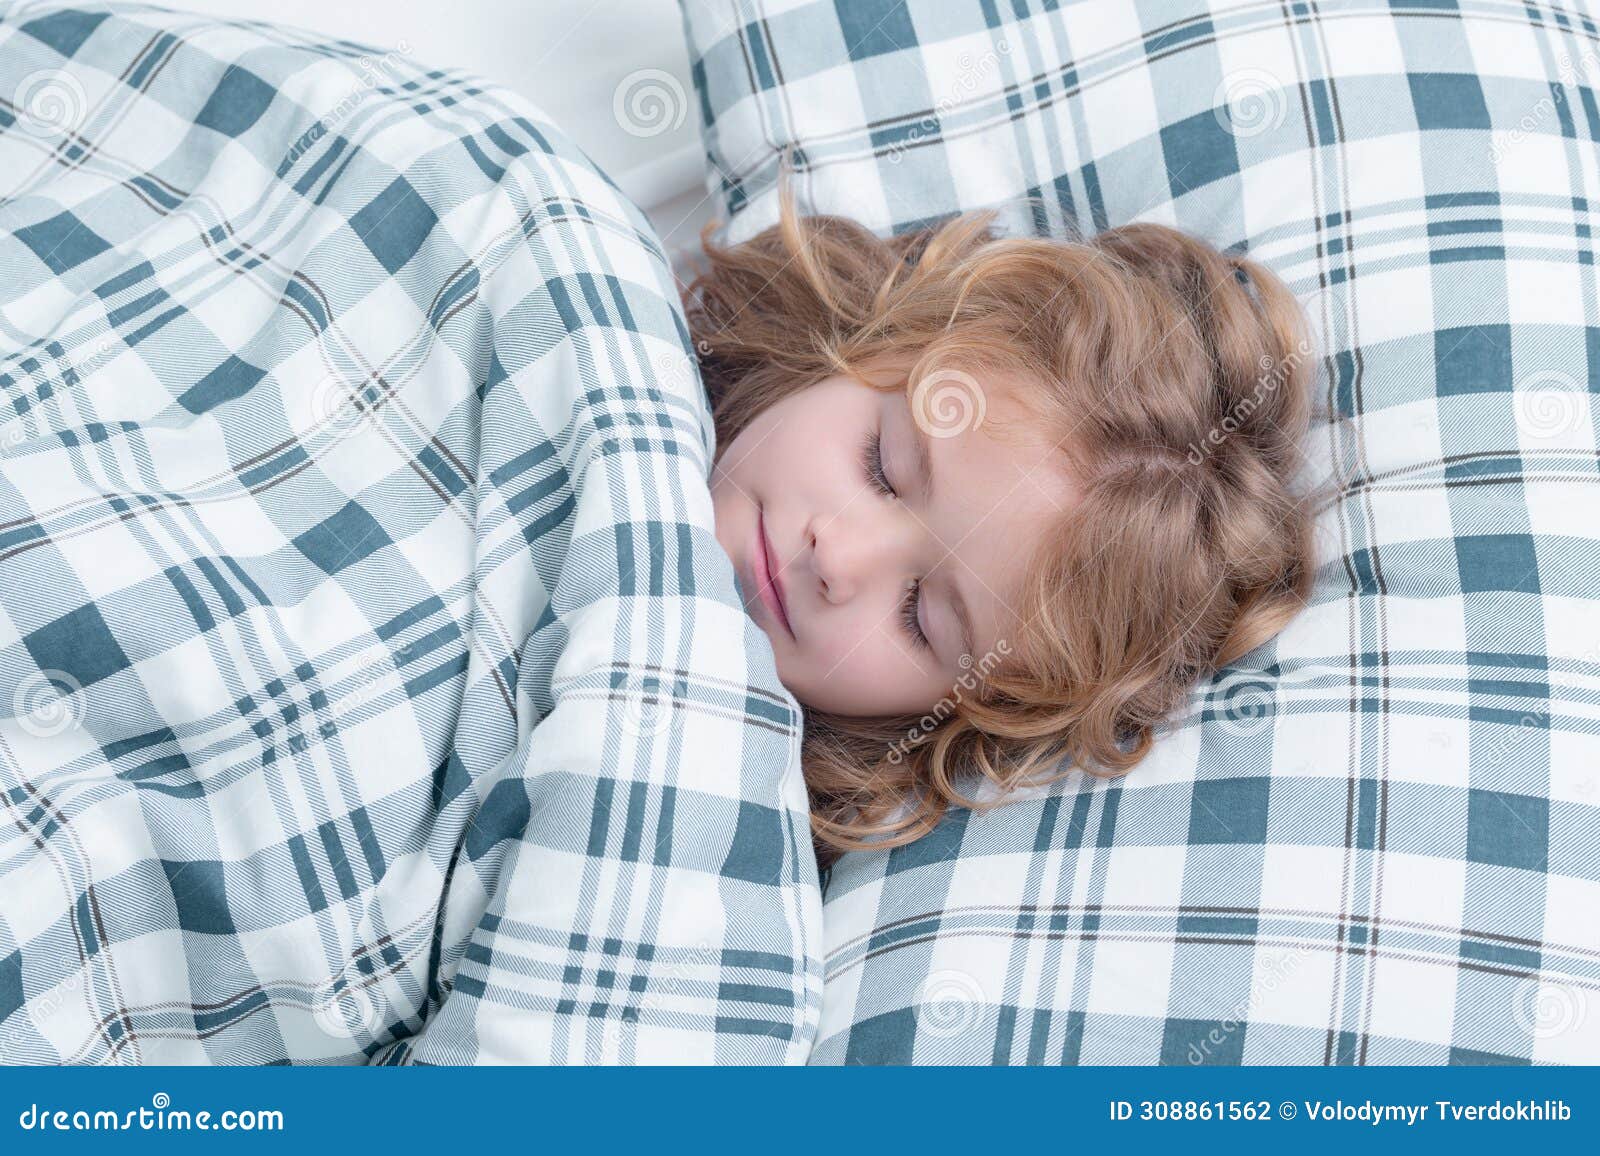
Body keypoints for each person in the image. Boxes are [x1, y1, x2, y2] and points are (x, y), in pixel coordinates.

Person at [687, 177, 1318, 868]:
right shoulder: (631, 332)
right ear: (886, 340)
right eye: (881, 468)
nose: (837, 556)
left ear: (973, 708)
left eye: (918, 616)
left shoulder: (737, 819)